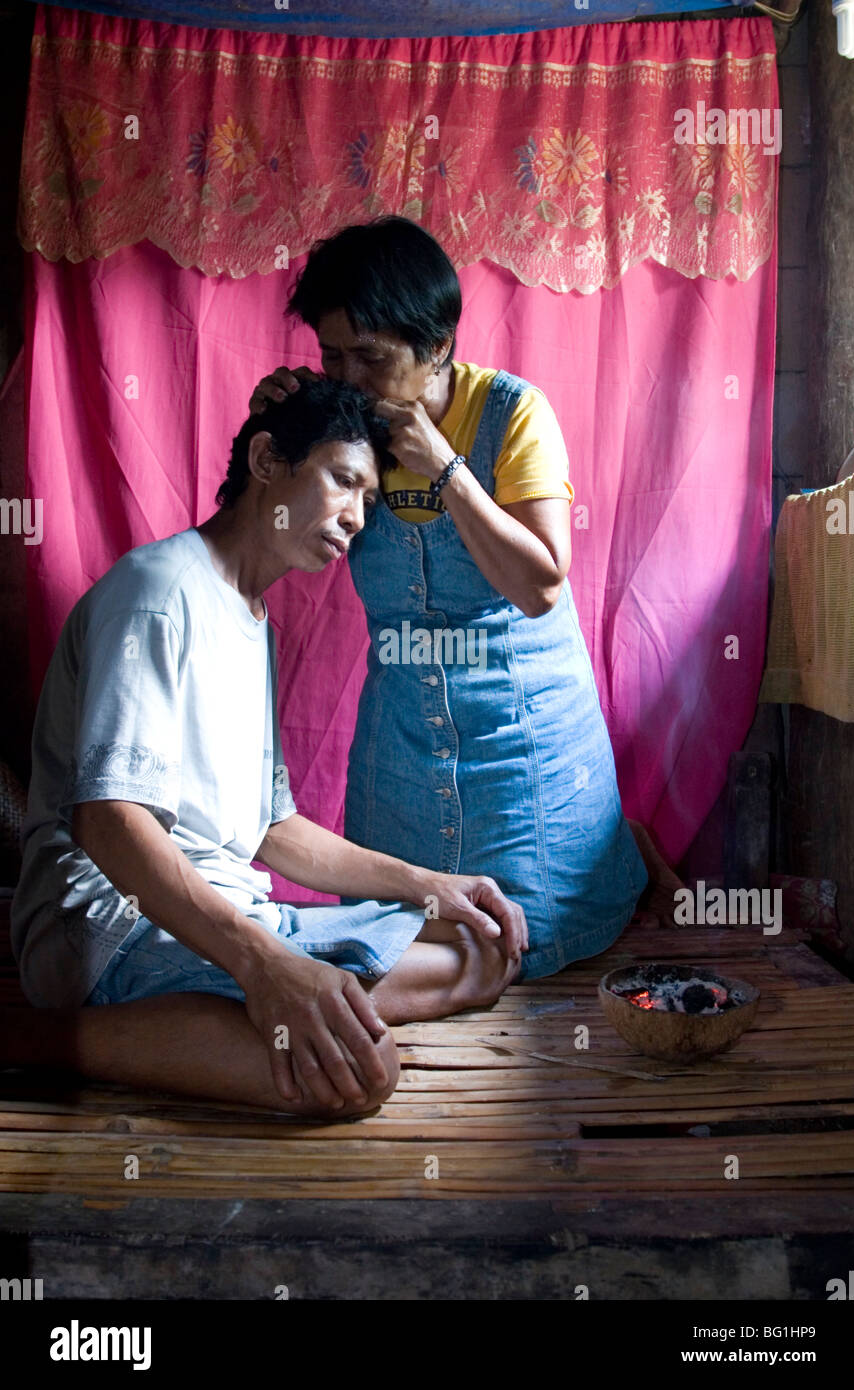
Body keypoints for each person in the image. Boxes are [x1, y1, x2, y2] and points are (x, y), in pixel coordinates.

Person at [6, 378, 528, 1119]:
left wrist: (428, 883)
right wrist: (265, 964)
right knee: (357, 1073)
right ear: (265, 461)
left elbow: (271, 830)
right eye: (342, 480)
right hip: (110, 925)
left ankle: (249, 1002)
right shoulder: (158, 593)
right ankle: (35, 1038)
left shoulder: (254, 623)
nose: (356, 518)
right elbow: (108, 821)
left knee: (481, 955)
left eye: (369, 501)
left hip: (235, 913)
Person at [251, 216, 650, 981]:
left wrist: (446, 468)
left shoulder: (514, 414)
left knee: (535, 950)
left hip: (521, 737)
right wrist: (274, 446)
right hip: (402, 738)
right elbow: (274, 549)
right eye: (332, 355)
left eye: (371, 357)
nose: (348, 378)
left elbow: (541, 585)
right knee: (399, 949)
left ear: (437, 346)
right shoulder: (341, 423)